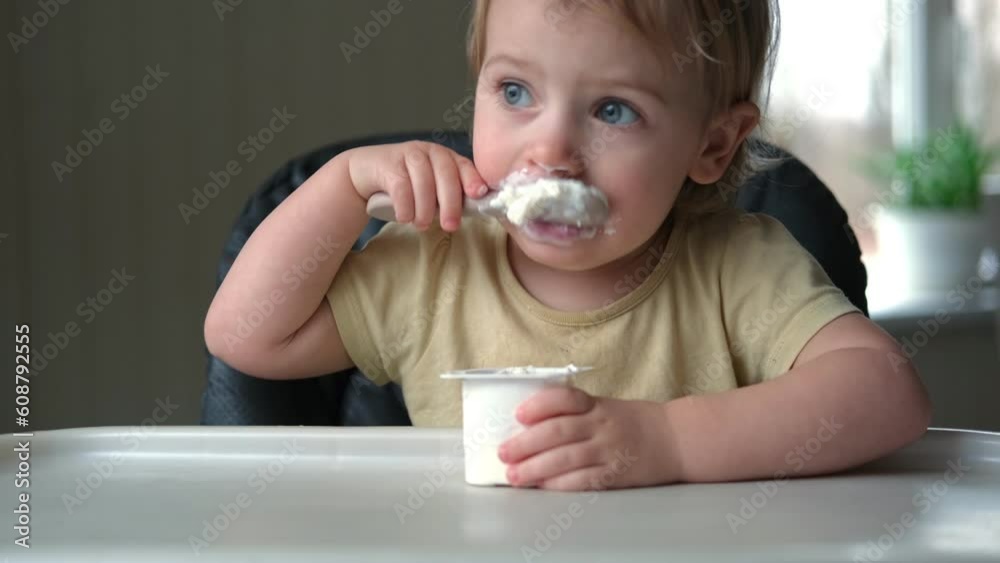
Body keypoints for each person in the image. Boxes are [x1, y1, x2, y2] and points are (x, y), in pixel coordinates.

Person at [204, 0, 931, 491]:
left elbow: (886, 393)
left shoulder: (738, 268)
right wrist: (340, 187)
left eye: (613, 110)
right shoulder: (434, 262)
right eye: (515, 92)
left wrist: (669, 442)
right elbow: (247, 338)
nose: (549, 150)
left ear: (712, 144)